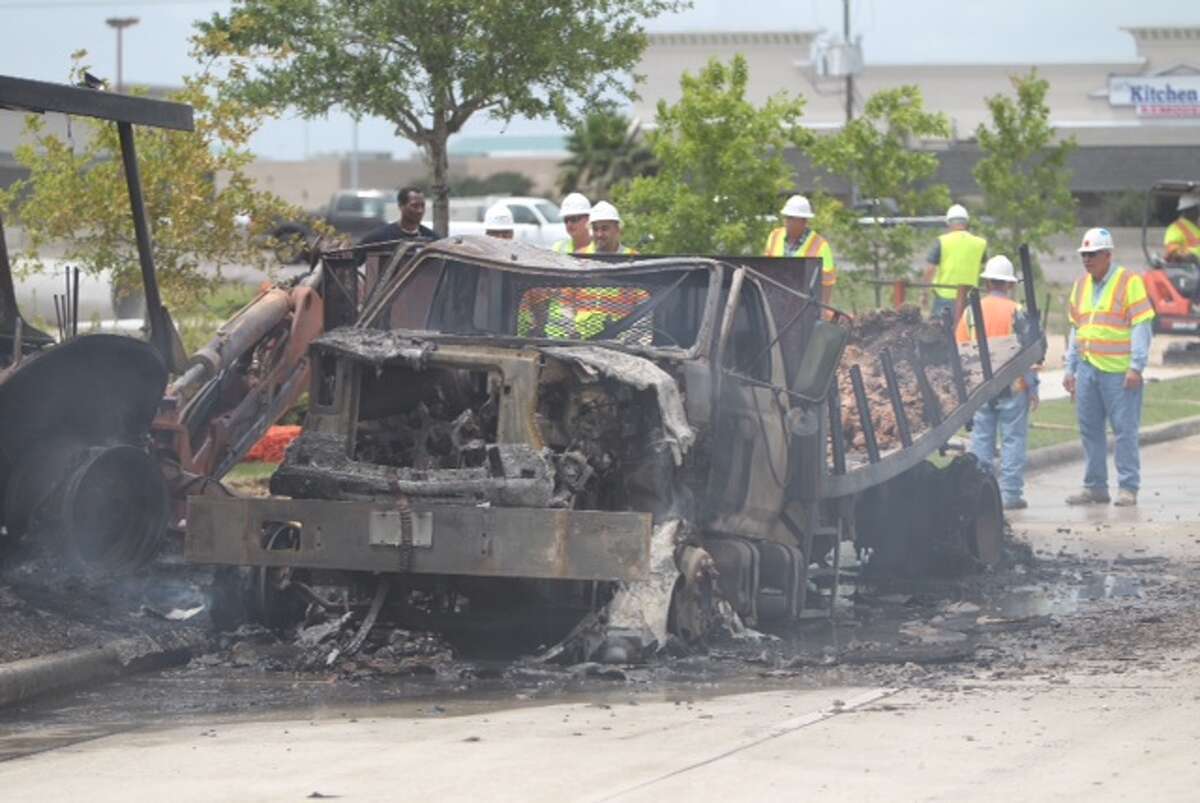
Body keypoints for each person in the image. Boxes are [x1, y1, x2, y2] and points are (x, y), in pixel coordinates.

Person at [1062, 228, 1156, 507]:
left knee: (1125, 430)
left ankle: (1128, 487)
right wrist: (1070, 368)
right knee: (1090, 429)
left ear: (1107, 255)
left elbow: (1142, 326)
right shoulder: (1080, 285)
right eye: (1084, 255)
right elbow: (1076, 330)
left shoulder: (1129, 281)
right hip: (1088, 369)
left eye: (1092, 255)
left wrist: (1136, 367)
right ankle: (1095, 487)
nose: (1087, 260)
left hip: (1119, 372)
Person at [955, 256, 1039, 510]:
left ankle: (981, 494)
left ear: (988, 282)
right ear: (1010, 284)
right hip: (1014, 387)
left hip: (981, 388)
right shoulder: (1019, 311)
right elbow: (1029, 353)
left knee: (982, 441)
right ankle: (1011, 495)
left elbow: (960, 350)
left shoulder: (972, 311)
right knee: (1013, 440)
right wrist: (1033, 387)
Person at [763, 194, 836, 305]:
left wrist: (822, 310)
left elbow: (828, 282)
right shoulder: (774, 236)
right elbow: (765, 269)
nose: (786, 221)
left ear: (804, 221)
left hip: (804, 307)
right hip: (775, 302)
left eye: (791, 218)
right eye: (786, 217)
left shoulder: (821, 245)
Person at [924, 204, 987, 321]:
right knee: (967, 336)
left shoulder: (942, 241)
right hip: (970, 298)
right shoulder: (980, 243)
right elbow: (984, 267)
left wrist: (925, 293)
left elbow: (930, 269)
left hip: (944, 297)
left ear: (948, 223)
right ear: (966, 223)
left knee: (939, 335)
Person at [358, 186, 438, 249]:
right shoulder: (380, 237)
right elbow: (352, 261)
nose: (420, 211)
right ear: (401, 206)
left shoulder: (431, 238)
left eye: (422, 206)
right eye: (415, 206)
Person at [1164, 191, 1200, 264]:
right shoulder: (1175, 228)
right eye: (1197, 208)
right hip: (1189, 270)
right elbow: (1173, 251)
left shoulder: (1196, 226)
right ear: (1188, 210)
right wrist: (1188, 257)